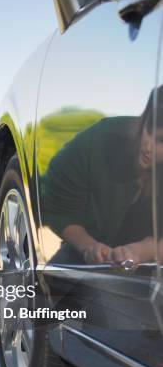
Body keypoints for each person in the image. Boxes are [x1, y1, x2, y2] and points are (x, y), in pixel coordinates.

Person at [41, 86, 163, 266]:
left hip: (151, 259)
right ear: (144, 118)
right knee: (51, 283)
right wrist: (90, 248)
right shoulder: (97, 142)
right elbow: (59, 209)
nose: (148, 146)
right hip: (84, 250)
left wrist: (140, 251)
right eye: (149, 131)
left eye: (161, 141)